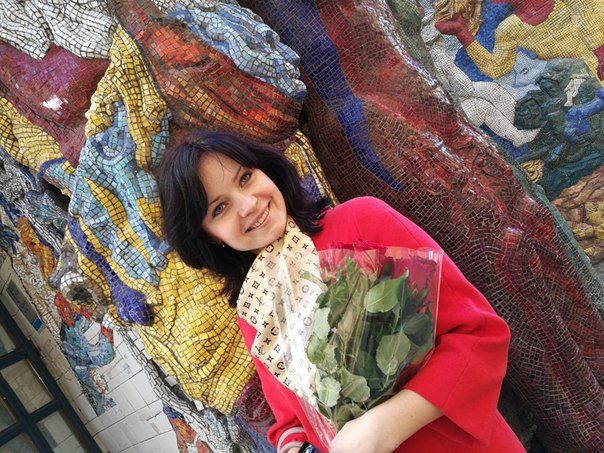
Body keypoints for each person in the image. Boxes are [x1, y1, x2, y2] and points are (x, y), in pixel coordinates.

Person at [158, 129, 525, 453]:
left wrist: (389, 423)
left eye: (245, 177)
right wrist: (295, 447)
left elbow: (479, 336)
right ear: (209, 235)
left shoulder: (361, 223)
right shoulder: (254, 311)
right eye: (220, 208)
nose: (249, 204)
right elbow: (290, 422)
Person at [434, 0, 604, 84]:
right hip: (592, 79)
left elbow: (589, 13)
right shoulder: (510, 29)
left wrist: (600, 51)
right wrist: (462, 33)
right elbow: (496, 68)